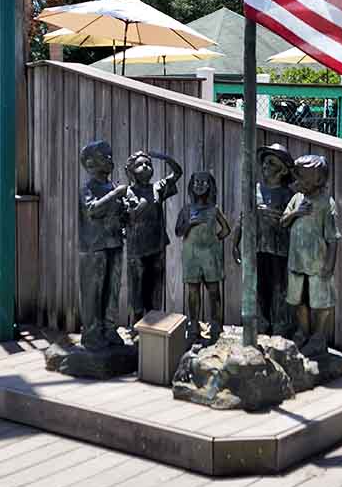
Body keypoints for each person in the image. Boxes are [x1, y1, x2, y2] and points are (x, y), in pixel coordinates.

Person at [281, 154, 341, 356]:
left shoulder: (326, 203)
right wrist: (296, 212)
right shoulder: (297, 199)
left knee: (320, 301)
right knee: (298, 300)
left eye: (304, 179)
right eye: (298, 177)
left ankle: (318, 337)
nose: (298, 182)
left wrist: (329, 266)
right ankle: (303, 333)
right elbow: (283, 221)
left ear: (318, 180)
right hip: (296, 262)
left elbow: (333, 238)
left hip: (317, 264)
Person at [232, 143, 295, 335]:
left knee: (279, 288)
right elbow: (243, 217)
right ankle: (261, 325)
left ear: (283, 170)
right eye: (265, 162)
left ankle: (279, 327)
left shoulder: (289, 195)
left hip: (280, 250)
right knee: (258, 287)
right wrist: (235, 243)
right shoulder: (255, 190)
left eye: (271, 163)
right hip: (257, 248)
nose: (265, 166)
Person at [78, 140, 127, 349]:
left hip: (114, 243)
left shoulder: (114, 186)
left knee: (113, 289)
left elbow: (121, 214)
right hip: (94, 247)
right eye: (103, 157)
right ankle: (92, 333)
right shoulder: (88, 188)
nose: (109, 159)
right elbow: (92, 210)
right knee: (93, 292)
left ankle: (109, 328)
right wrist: (115, 195)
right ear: (90, 163)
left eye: (109, 155)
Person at [124, 149, 182, 324]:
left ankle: (154, 320)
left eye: (148, 164)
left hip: (157, 244)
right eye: (140, 165)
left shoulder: (157, 188)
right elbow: (123, 217)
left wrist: (165, 157)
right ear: (131, 171)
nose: (145, 167)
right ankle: (136, 320)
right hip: (136, 246)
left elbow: (177, 173)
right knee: (137, 284)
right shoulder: (126, 192)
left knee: (155, 283)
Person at [175, 171, 231, 343]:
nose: (200, 185)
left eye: (204, 182)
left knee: (214, 290)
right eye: (196, 182)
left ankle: (216, 323)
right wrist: (189, 223)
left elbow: (226, 230)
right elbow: (178, 232)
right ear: (191, 186)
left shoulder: (214, 210)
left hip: (210, 255)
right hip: (191, 254)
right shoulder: (186, 210)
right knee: (193, 290)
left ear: (210, 186)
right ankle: (193, 323)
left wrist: (214, 241)